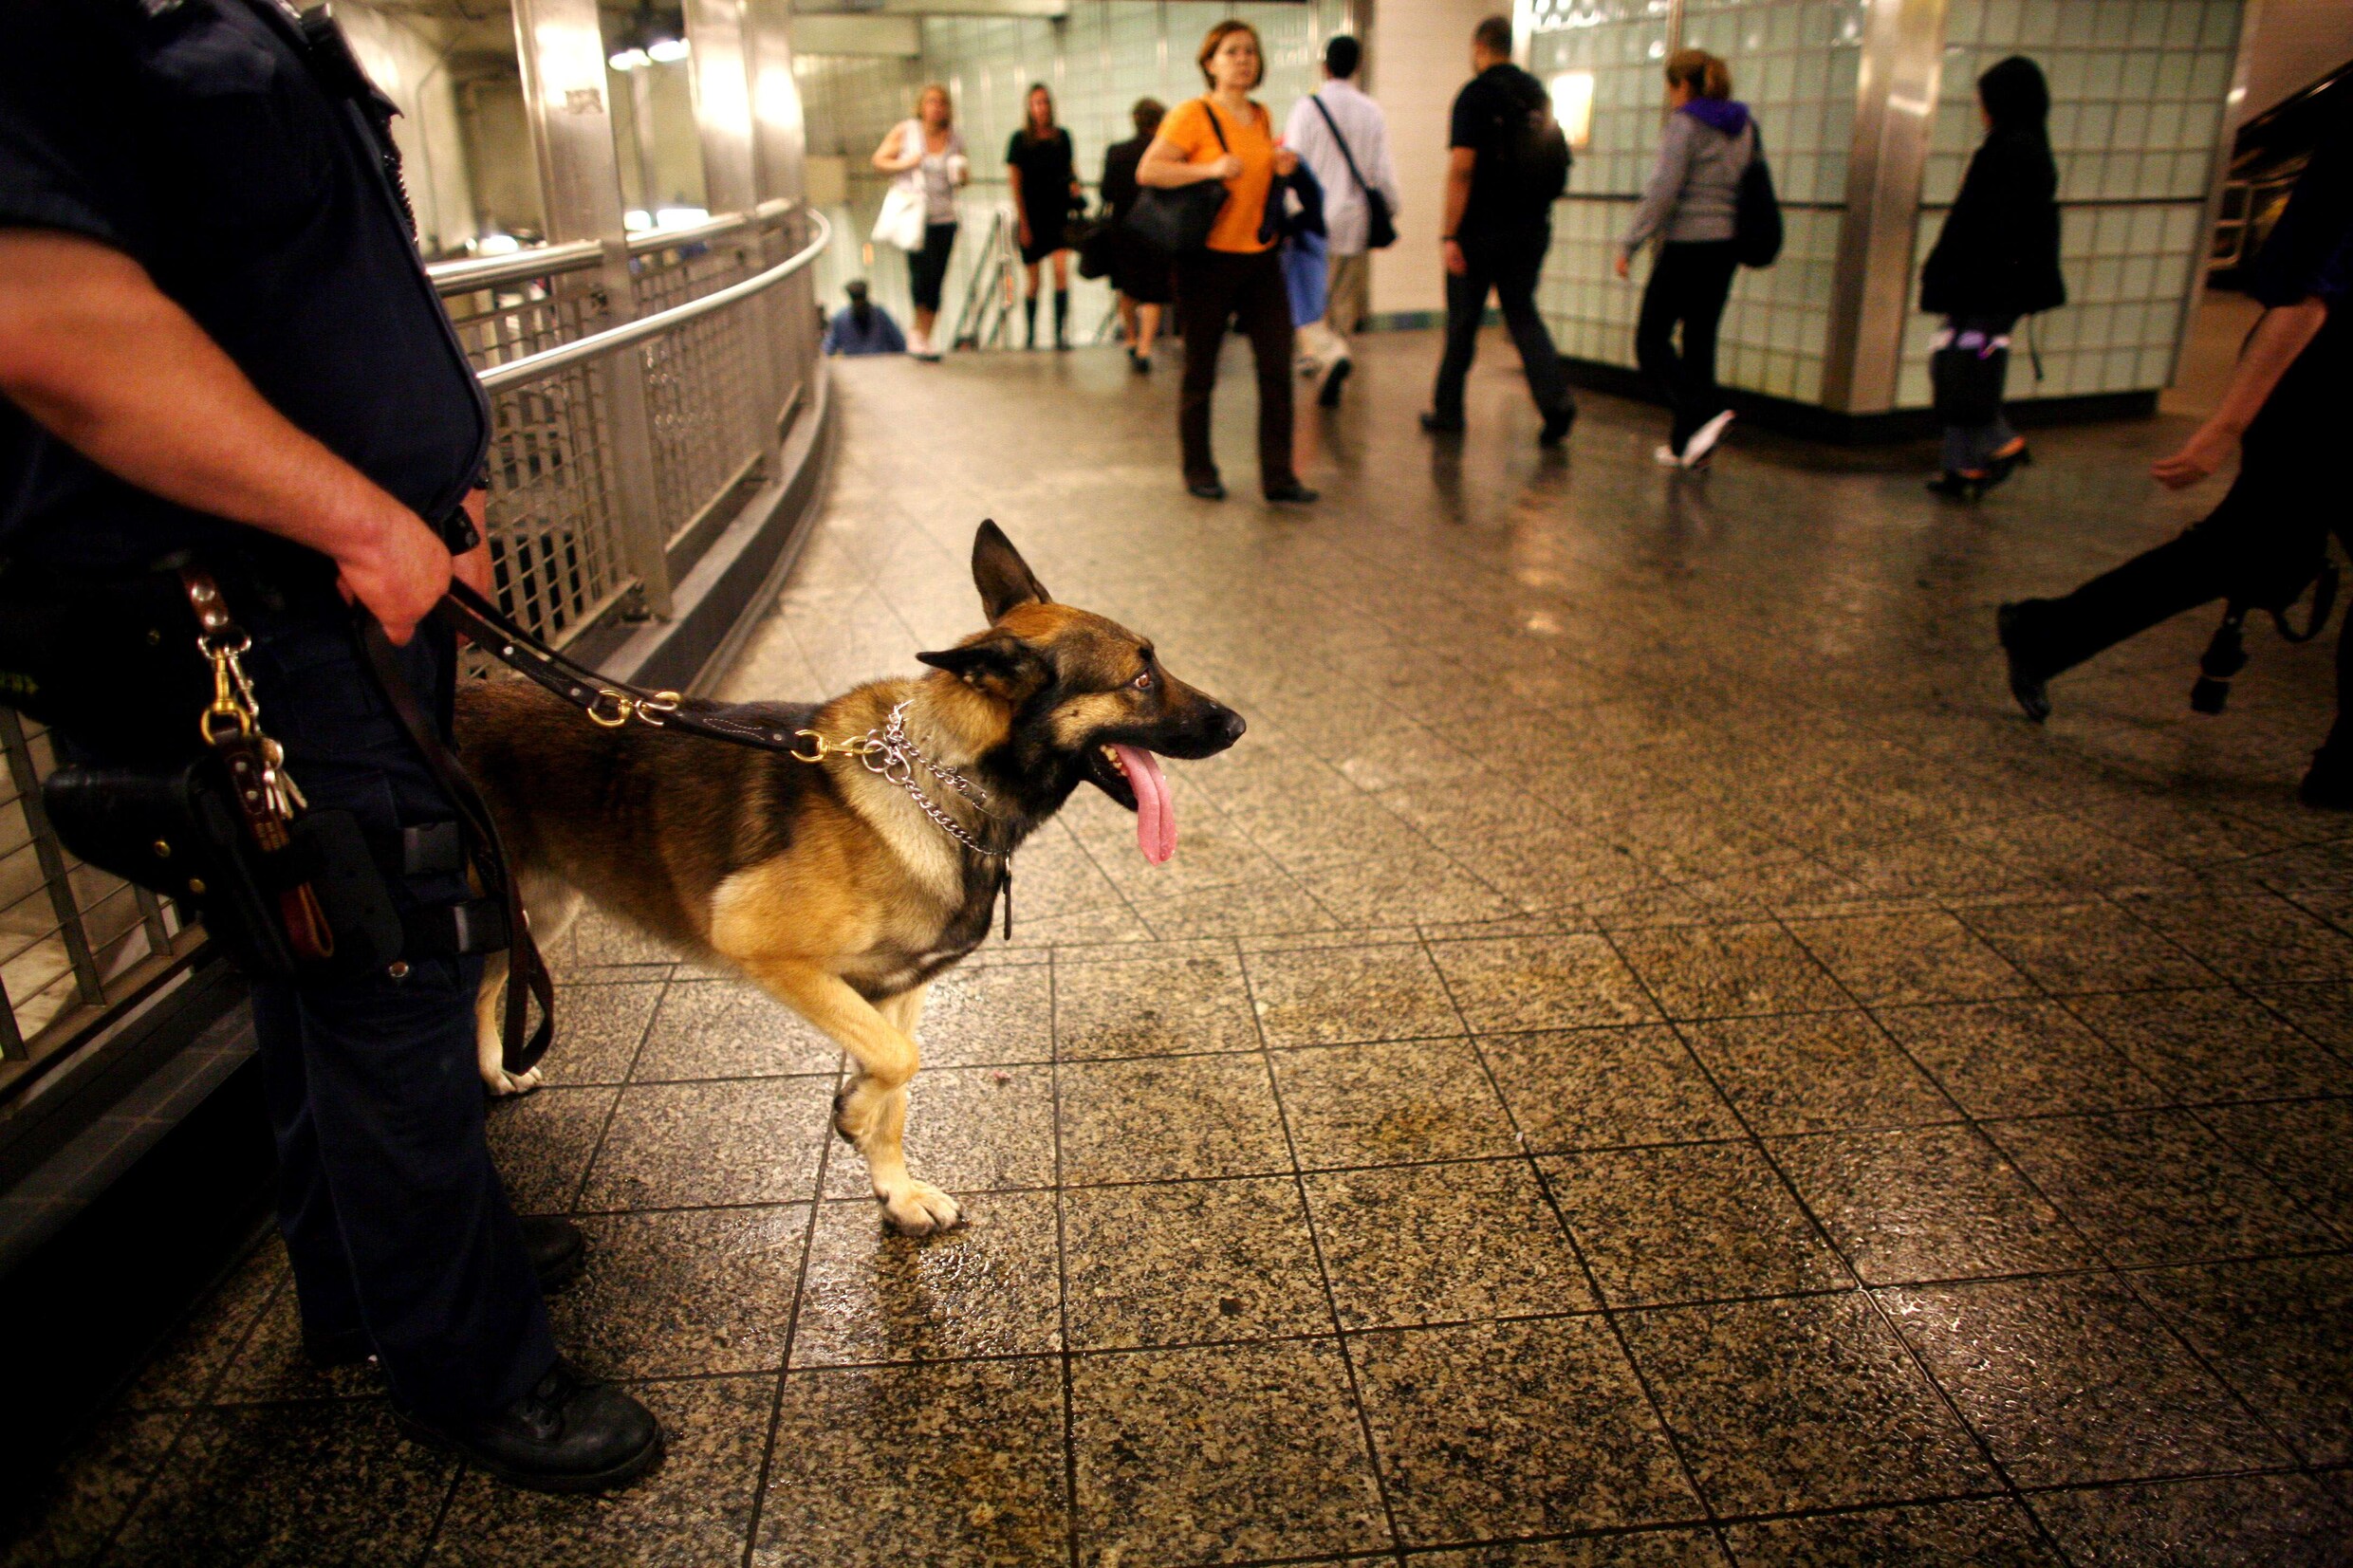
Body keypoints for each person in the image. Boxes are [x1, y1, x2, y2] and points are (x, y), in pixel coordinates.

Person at [0, 0, 659, 1489]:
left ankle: (368, 1275)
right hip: (249, 612)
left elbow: (323, 285)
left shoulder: (232, 19)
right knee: (391, 963)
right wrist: (364, 515)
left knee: (329, 968)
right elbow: (48, 321)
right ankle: (467, 1365)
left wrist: (450, 493)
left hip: (353, 590)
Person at [1997, 106, 2353, 810]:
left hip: (2319, 382)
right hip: (2322, 385)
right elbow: (2311, 293)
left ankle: (2045, 631)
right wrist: (2223, 425)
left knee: (2242, 548)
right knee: (2241, 547)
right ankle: (2043, 630)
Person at [1139, 19, 1318, 504]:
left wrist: (1278, 169)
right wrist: (1209, 167)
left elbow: (1255, 182)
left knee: (1277, 369)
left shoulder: (1260, 116)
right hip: (1207, 262)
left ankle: (1278, 477)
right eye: (1232, 51)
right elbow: (1149, 168)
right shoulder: (1191, 115)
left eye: (1250, 52)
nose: (1243, 59)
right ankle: (1198, 469)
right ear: (1210, 61)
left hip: (1260, 261)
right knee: (1201, 371)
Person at [1423, 15, 1575, 448]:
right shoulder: (1535, 93)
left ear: (1479, 48)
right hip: (1531, 227)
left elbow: (1463, 169)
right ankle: (1556, 402)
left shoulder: (1474, 96)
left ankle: (1448, 412)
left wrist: (1449, 235)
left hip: (1480, 231)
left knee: (1463, 322)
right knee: (1522, 313)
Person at [1918, 55, 2064, 498]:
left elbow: (1986, 225)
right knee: (1963, 366)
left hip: (1987, 286)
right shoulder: (2026, 145)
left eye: (1985, 101)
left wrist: (1956, 273)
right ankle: (1963, 467)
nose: (1981, 110)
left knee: (1963, 370)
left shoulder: (2011, 150)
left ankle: (2000, 443)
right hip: (1995, 285)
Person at [1616, 48, 1755, 470]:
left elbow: (1663, 190)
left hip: (1688, 245)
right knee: (1699, 341)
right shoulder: (1743, 124)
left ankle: (1706, 412)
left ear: (1682, 86)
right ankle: (1688, 445)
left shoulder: (1686, 123)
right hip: (1725, 247)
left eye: (1670, 88)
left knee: (1650, 339)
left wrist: (1630, 243)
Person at [1285, 34, 1401, 408]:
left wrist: (1285, 213)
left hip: (1314, 219)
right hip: (1353, 218)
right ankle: (1332, 355)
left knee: (1307, 295)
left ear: (1325, 66)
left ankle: (1328, 356)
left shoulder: (1306, 108)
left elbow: (1292, 161)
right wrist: (1390, 208)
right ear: (1358, 67)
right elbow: (1383, 172)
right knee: (1343, 297)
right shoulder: (1371, 110)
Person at [871, 83, 968, 361]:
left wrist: (960, 176)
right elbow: (878, 161)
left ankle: (924, 335)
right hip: (916, 217)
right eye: (931, 102)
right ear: (922, 106)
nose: (936, 107)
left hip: (944, 216)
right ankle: (917, 332)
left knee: (937, 277)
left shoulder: (954, 136)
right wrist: (906, 163)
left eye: (941, 102)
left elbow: (964, 174)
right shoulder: (906, 131)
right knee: (920, 276)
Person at [1006, 84, 1082, 351]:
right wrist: (1023, 223)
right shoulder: (1019, 140)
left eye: (1045, 102)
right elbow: (1015, 183)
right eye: (1036, 103)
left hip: (1059, 213)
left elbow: (1071, 170)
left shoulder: (1062, 137)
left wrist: (1075, 188)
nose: (1041, 108)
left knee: (1061, 273)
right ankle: (1030, 336)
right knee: (1034, 281)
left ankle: (1060, 333)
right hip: (1032, 216)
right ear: (1029, 107)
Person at [1101, 98, 1171, 372]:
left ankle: (1130, 338)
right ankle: (1145, 348)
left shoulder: (1116, 152)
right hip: (1155, 227)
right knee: (1152, 289)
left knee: (1127, 286)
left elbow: (1106, 192)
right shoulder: (1165, 153)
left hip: (1123, 228)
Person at [823, 280, 906, 357]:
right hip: (854, 367)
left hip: (881, 363)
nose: (859, 304)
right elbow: (829, 347)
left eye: (861, 299)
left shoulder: (880, 315)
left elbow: (899, 343)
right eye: (856, 300)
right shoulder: (841, 319)